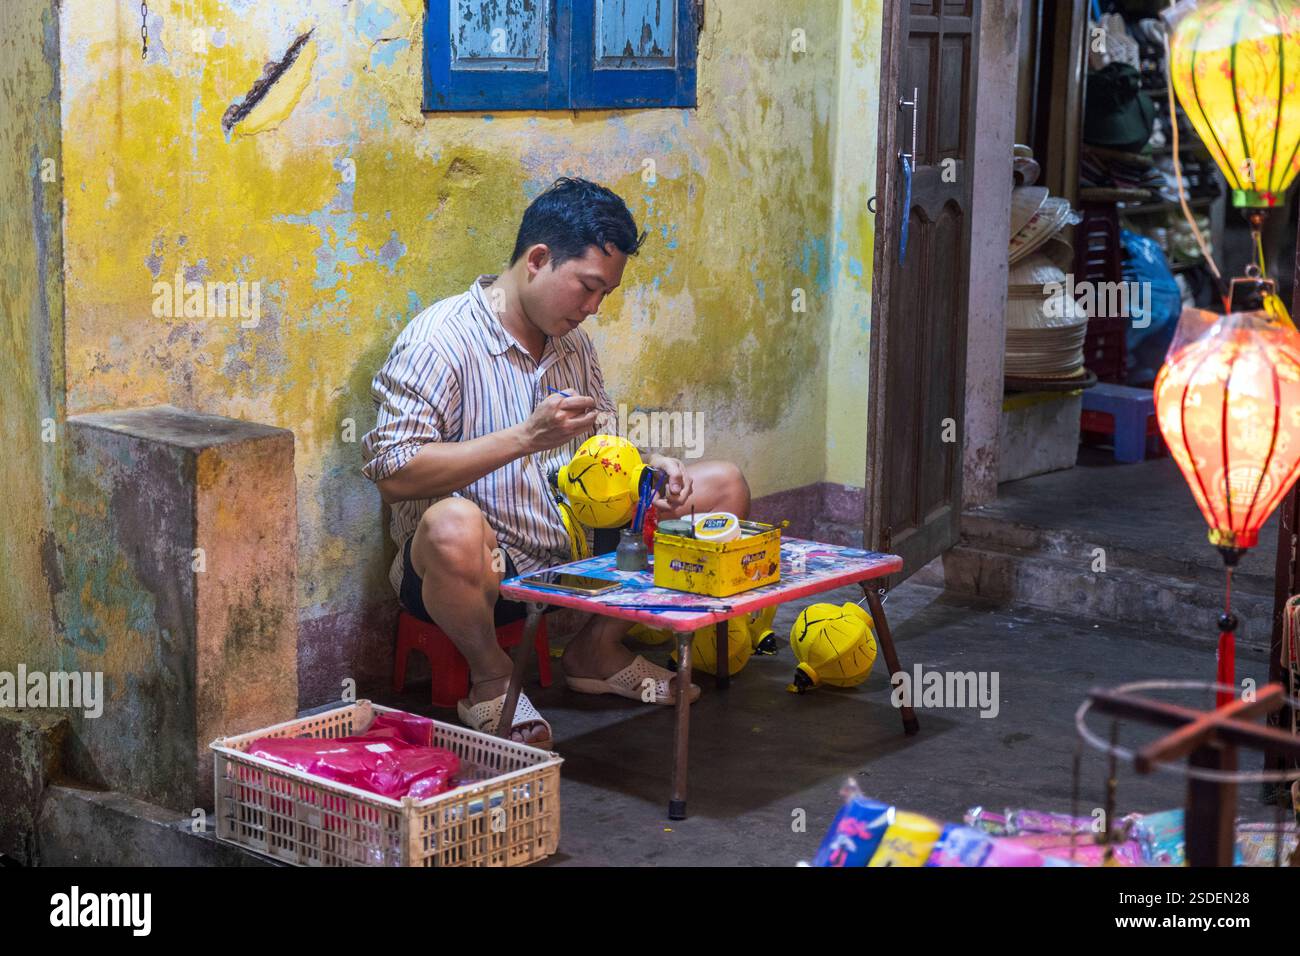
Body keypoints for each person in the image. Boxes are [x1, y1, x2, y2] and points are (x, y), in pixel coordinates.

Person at [361, 177, 751, 748]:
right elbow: (394, 474)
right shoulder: (439, 341)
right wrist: (523, 437)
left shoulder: (572, 343)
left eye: (604, 296)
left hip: (569, 543)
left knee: (722, 488)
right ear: (539, 259)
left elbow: (601, 446)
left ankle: (597, 649)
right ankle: (492, 680)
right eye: (587, 288)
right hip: (484, 567)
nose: (592, 309)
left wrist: (649, 468)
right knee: (451, 527)